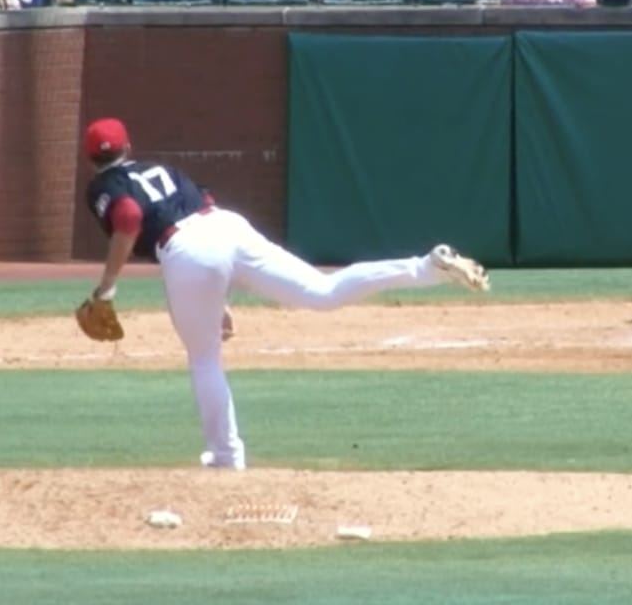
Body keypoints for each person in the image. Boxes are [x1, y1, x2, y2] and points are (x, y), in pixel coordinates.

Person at [80, 117, 491, 471]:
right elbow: (204, 205)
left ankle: (226, 457)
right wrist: (218, 294)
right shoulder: (160, 170)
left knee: (205, 358)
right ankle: (424, 267)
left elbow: (130, 217)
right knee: (323, 291)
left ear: (90, 159)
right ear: (129, 147)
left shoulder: (104, 185)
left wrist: (106, 288)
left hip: (186, 250)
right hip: (225, 226)